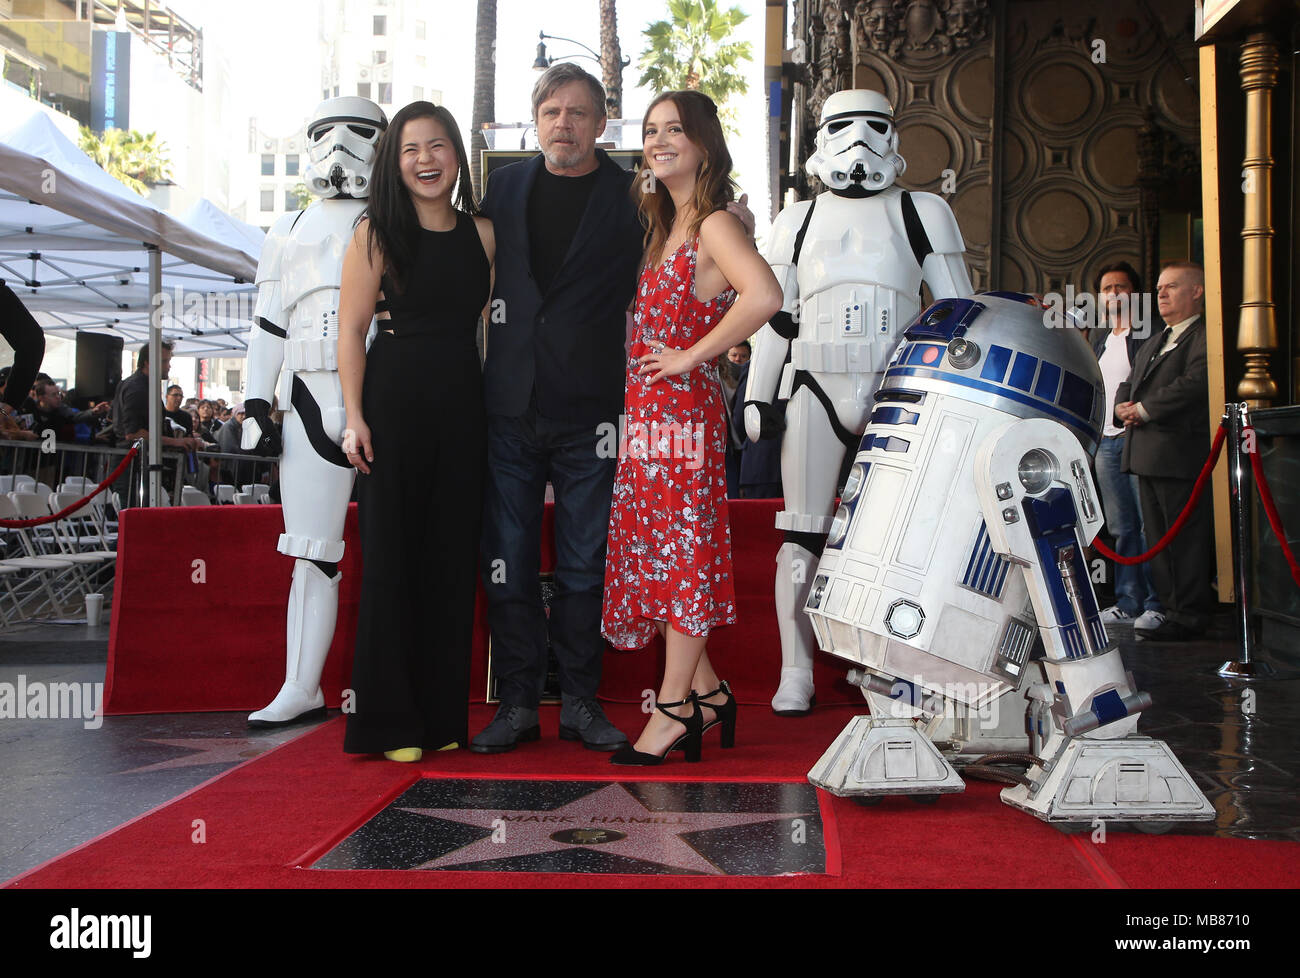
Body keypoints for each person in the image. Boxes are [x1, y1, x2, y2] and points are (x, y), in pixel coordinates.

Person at [472, 64, 754, 755]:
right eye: (550, 112)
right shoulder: (501, 189)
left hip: (600, 412)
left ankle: (578, 703)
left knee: (588, 564)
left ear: (601, 125)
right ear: (535, 120)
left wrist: (736, 222)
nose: (563, 123)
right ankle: (514, 705)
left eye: (578, 113)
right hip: (511, 404)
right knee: (507, 558)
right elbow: (464, 270)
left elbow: (720, 258)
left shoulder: (637, 198)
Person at [601, 90, 783, 765]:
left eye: (675, 129)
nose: (659, 140)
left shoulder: (712, 225)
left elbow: (765, 295)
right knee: (663, 556)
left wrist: (691, 355)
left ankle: (673, 709)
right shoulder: (664, 225)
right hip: (649, 422)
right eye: (651, 130)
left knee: (681, 560)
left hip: (682, 418)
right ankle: (708, 695)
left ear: (704, 143)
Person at [337, 101, 495, 762]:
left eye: (437, 146)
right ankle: (389, 724)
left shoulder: (484, 234)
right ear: (394, 162)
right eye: (411, 149)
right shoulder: (375, 233)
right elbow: (349, 331)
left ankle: (440, 720)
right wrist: (354, 417)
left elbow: (485, 328)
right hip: (393, 405)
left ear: (457, 154)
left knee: (451, 563)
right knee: (393, 561)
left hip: (464, 406)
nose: (425, 159)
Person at [1115, 261, 1211, 642]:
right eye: (1159, 289)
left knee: (1183, 538)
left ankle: (1189, 615)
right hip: (1144, 453)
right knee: (1158, 539)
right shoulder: (1156, 338)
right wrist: (1123, 405)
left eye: (1172, 287)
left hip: (1178, 453)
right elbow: (1129, 380)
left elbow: (1196, 381)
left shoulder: (1204, 334)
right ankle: (1171, 611)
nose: (1162, 295)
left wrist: (1144, 409)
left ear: (1197, 291)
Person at [1090, 261, 1162, 631]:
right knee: (1122, 528)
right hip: (1106, 442)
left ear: (1136, 294)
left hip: (1137, 438)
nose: (1114, 293)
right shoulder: (1101, 338)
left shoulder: (1150, 333)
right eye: (1107, 288)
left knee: (1151, 526)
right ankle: (1128, 601)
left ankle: (1156, 602)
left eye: (1121, 287)